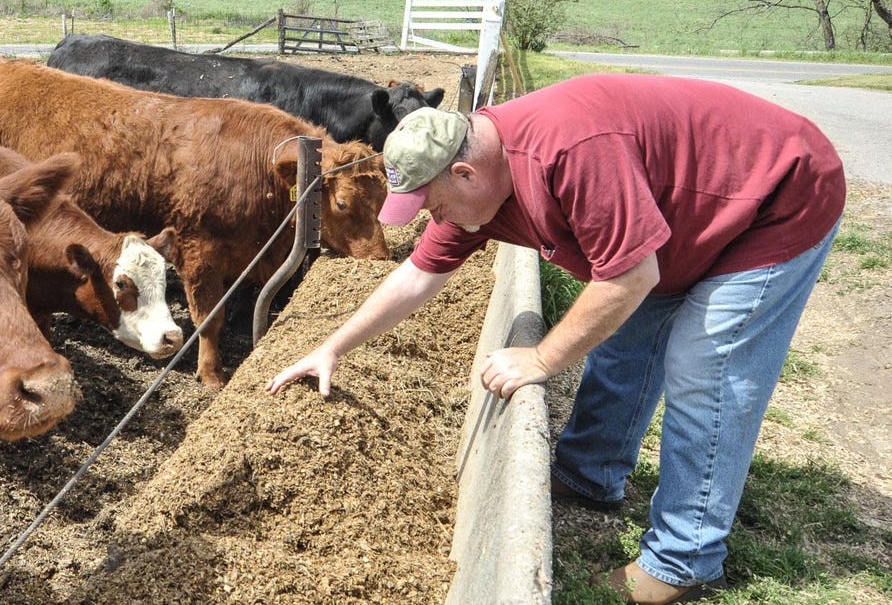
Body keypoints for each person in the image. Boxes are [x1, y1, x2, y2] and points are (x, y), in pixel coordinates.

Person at [265, 73, 845, 605]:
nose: (434, 218)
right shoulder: (476, 184)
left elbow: (629, 274)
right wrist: (332, 347)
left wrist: (541, 357)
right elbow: (418, 274)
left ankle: (684, 562)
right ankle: (589, 475)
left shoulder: (569, 154)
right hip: (682, 211)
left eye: (435, 204)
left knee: (704, 365)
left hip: (777, 194)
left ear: (463, 175)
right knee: (623, 340)